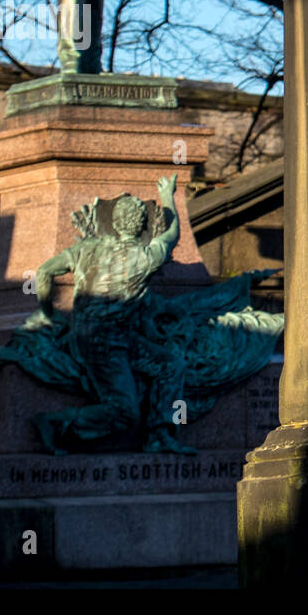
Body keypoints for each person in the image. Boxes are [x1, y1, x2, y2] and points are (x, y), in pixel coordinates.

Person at [28, 174, 194, 455]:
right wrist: (168, 196)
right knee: (125, 412)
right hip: (102, 343)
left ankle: (158, 436)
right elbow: (173, 233)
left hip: (113, 336)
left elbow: (44, 272)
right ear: (141, 225)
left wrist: (46, 313)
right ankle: (54, 424)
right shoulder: (146, 257)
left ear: (116, 222)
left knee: (171, 366)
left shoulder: (87, 248)